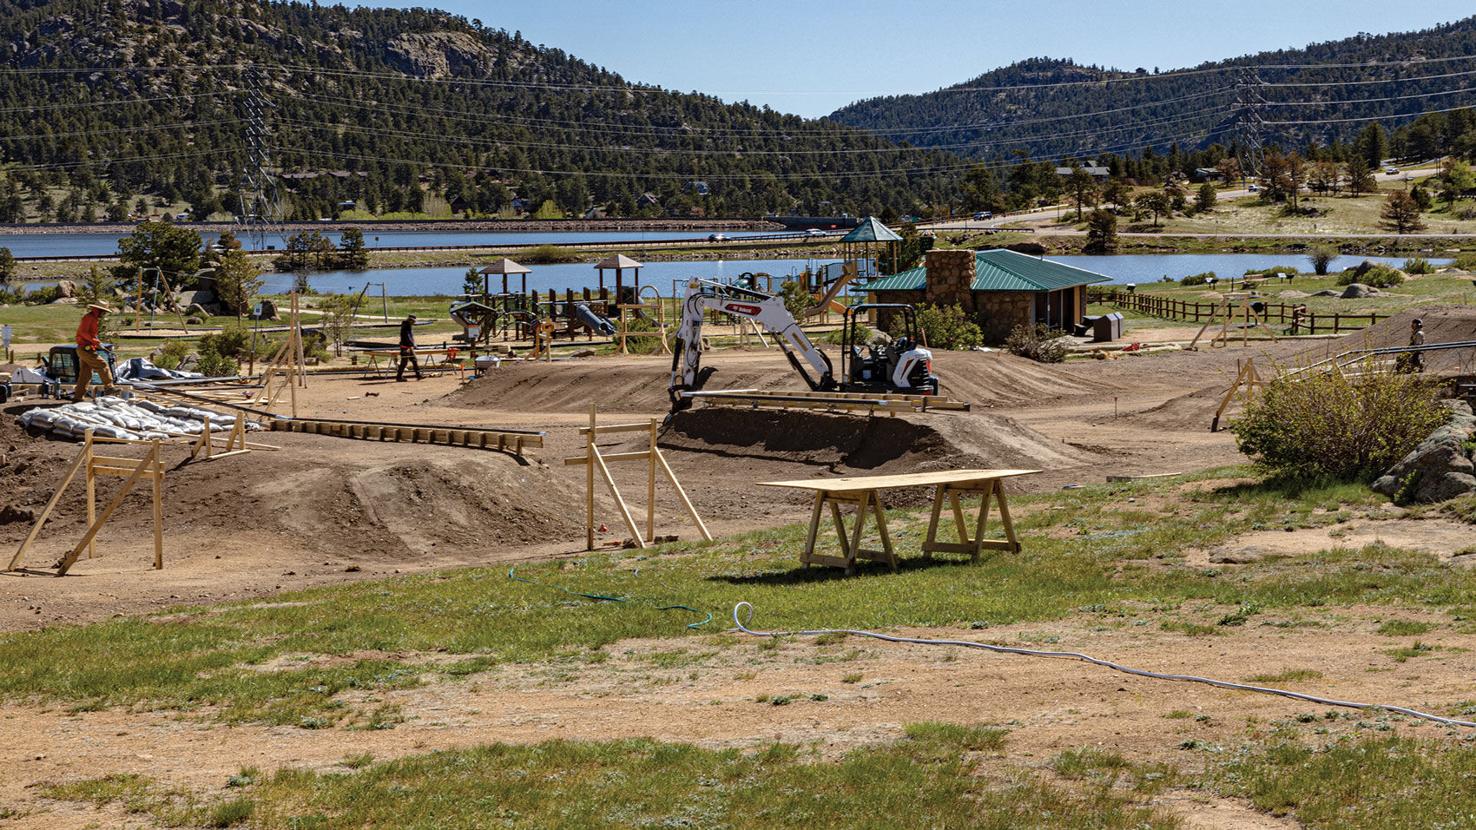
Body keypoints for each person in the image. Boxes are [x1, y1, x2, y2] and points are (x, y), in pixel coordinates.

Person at [72, 303, 117, 402]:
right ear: (99, 310)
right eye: (103, 312)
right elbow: (83, 332)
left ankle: (78, 397)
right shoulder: (89, 318)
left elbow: (90, 334)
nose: (104, 314)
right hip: (85, 349)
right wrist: (96, 342)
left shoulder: (93, 318)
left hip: (86, 348)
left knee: (85, 374)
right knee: (102, 364)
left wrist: (96, 343)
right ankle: (109, 387)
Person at [396, 314, 422, 382]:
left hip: (409, 347)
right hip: (405, 347)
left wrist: (413, 344)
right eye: (413, 321)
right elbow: (408, 337)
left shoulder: (408, 325)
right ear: (410, 320)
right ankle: (399, 377)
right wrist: (413, 344)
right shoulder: (405, 326)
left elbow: (411, 337)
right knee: (404, 362)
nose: (414, 323)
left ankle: (418, 375)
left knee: (414, 360)